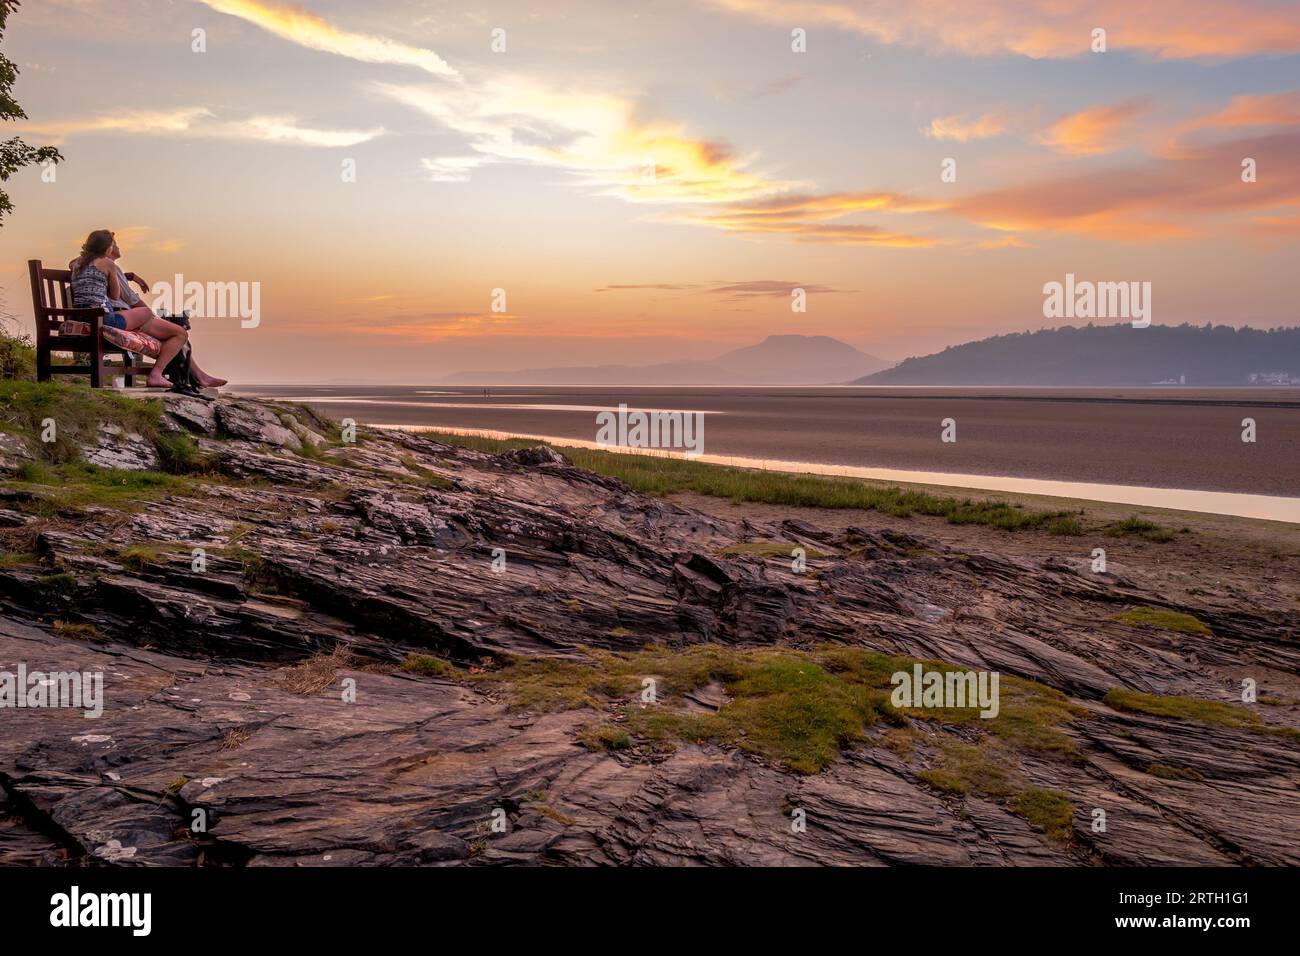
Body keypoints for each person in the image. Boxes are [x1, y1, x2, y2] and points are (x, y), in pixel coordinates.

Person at [68, 229, 225, 389]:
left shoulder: (78, 264)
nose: (116, 246)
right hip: (106, 317)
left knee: (176, 332)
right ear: (107, 249)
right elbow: (118, 295)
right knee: (165, 324)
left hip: (84, 315)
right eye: (113, 244)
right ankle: (157, 375)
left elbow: (74, 263)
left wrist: (131, 276)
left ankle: (200, 377)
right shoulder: (109, 265)